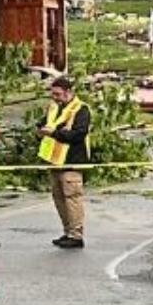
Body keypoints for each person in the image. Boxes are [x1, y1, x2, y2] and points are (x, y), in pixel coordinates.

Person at [37, 73, 92, 249]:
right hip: (55, 161)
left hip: (72, 162)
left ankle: (76, 235)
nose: (55, 98)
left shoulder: (81, 110)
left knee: (72, 198)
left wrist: (53, 133)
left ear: (68, 92)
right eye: (53, 94)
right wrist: (39, 129)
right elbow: (45, 123)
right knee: (59, 198)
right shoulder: (54, 108)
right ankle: (67, 231)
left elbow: (78, 134)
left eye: (58, 94)